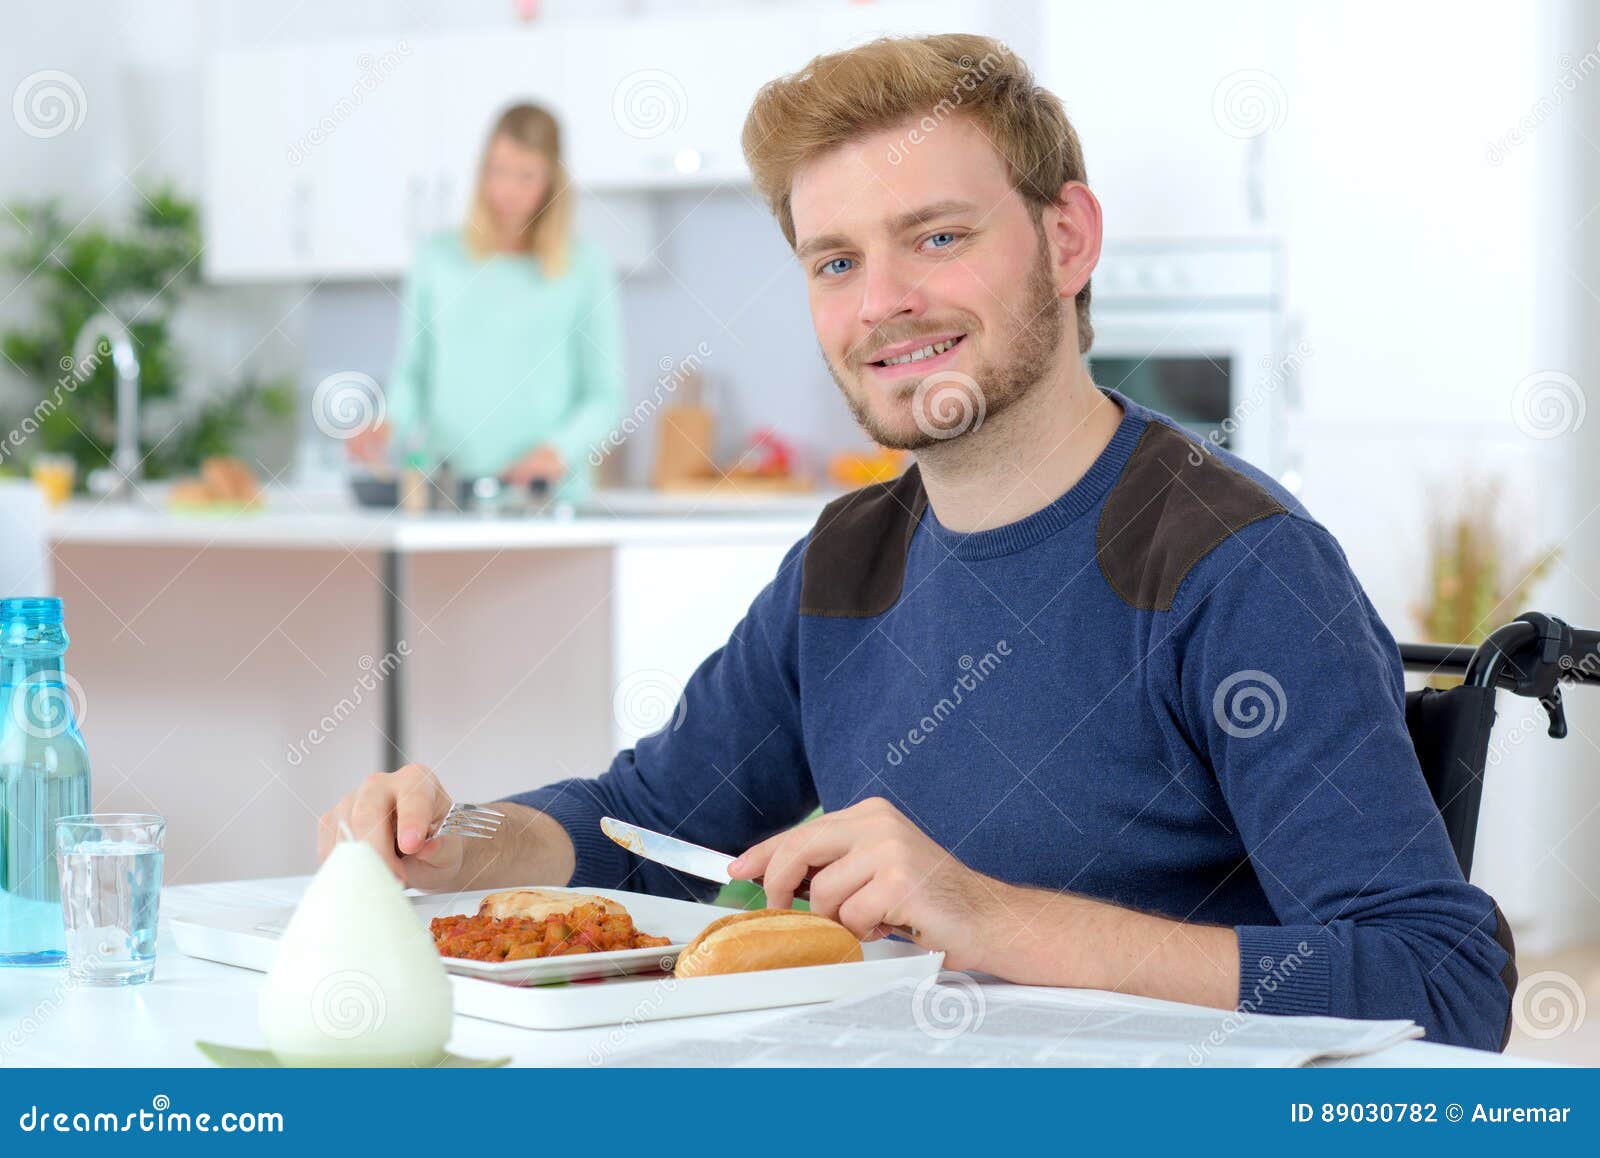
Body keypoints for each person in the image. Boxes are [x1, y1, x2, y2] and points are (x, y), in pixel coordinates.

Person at [320, 35, 1516, 1051]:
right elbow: (641, 826)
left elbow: (1443, 983)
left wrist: (988, 917)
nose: (881, 299)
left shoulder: (1234, 566)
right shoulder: (849, 560)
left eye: (935, 237)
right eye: (835, 261)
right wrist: (458, 842)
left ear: (1066, 242)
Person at [350, 103, 624, 498]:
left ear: (552, 181)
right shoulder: (437, 258)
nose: (507, 190)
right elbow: (413, 374)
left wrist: (558, 451)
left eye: (526, 175)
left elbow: (605, 396)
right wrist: (388, 425)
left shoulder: (585, 268)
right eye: (498, 170)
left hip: (546, 497)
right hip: (448, 491)